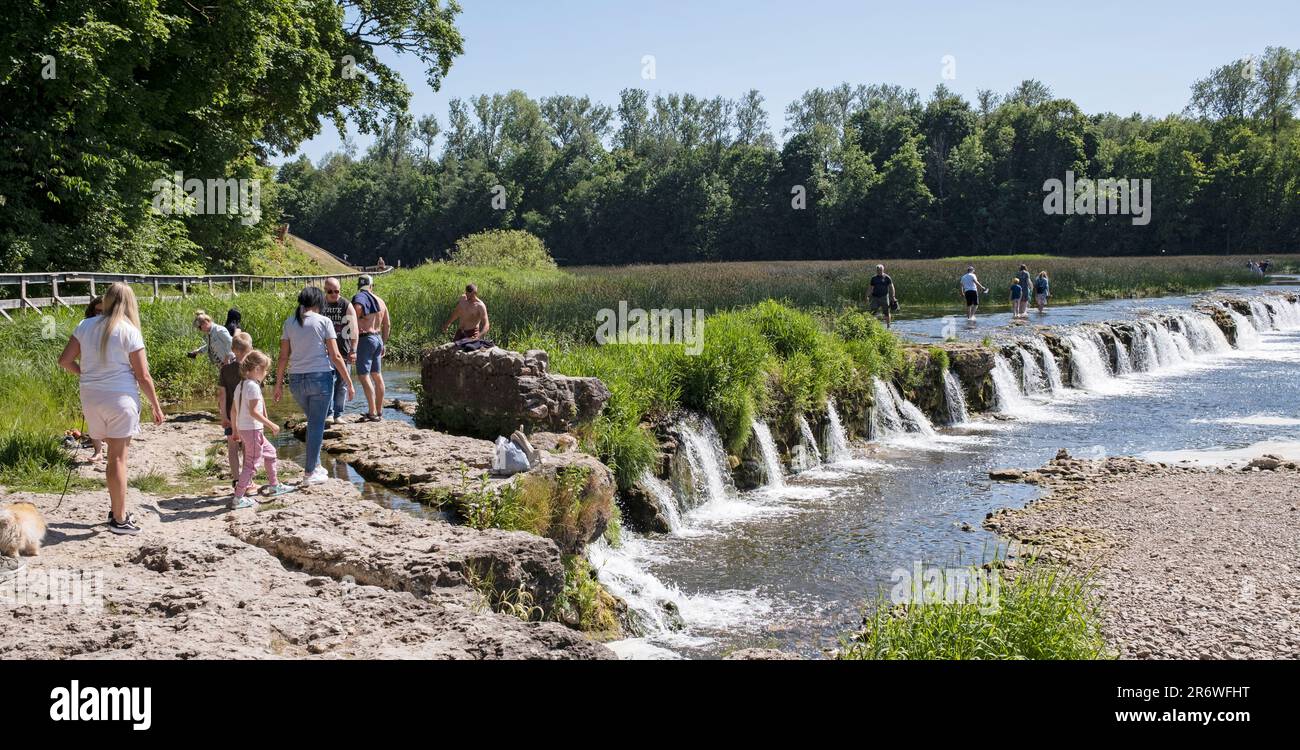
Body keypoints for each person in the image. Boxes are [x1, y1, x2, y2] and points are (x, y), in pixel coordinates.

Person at [57, 282, 165, 535]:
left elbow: (64, 360)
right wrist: (156, 406)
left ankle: (116, 510)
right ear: (130, 304)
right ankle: (119, 518)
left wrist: (87, 374)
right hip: (120, 399)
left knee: (110, 455)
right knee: (118, 458)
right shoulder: (129, 330)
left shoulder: (85, 325)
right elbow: (143, 376)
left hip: (91, 398)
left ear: (105, 300)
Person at [274, 286, 354, 486]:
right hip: (320, 378)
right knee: (317, 425)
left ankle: (316, 466)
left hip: (296, 380)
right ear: (319, 302)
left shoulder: (289, 322)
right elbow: (336, 356)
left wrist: (278, 385)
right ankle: (309, 473)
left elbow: (283, 357)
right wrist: (349, 381)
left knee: (313, 422)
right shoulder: (324, 321)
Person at [230, 350, 286, 509]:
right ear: (256, 369)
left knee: (270, 452)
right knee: (251, 465)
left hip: (246, 430)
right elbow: (254, 412)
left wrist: (235, 430)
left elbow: (233, 411)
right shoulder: (253, 387)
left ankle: (274, 485)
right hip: (253, 430)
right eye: (265, 369)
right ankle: (238, 498)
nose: (266, 373)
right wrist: (271, 425)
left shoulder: (240, 386)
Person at [218, 331, 254, 490]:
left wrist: (223, 416)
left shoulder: (225, 369)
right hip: (248, 415)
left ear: (233, 349)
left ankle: (236, 480)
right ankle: (247, 480)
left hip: (229, 415)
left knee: (232, 448)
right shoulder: (252, 370)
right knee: (247, 448)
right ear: (250, 349)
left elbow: (222, 395)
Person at [320, 278, 358, 425]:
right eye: (330, 291)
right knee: (327, 383)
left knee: (342, 385)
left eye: (336, 291)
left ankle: (338, 414)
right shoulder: (320, 304)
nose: (334, 294)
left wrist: (353, 350)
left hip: (343, 351)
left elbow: (354, 330)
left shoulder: (346, 305)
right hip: (324, 353)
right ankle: (328, 414)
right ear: (325, 291)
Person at [352, 275, 390, 422]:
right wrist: (384, 343)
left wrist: (354, 324)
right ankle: (379, 411)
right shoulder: (380, 301)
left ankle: (372, 412)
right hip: (377, 338)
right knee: (377, 375)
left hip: (365, 339)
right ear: (372, 286)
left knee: (363, 375)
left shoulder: (359, 298)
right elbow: (387, 324)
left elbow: (355, 312)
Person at [82, 296, 106, 462]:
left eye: (104, 311)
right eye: (98, 311)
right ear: (92, 311)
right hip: (91, 376)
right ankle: (98, 451)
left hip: (112, 376)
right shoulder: (85, 327)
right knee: (92, 415)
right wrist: (82, 371)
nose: (101, 315)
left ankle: (112, 446)